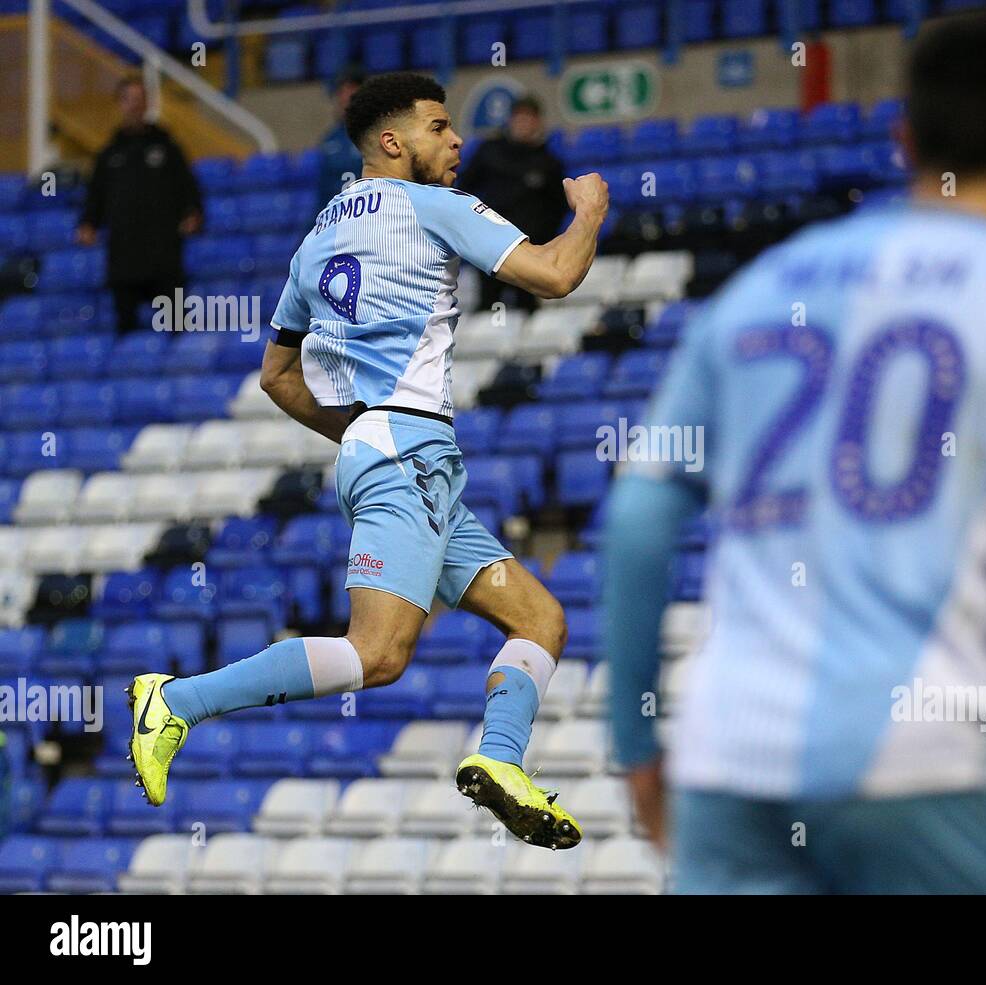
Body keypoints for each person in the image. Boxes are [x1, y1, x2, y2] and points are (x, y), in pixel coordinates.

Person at [601, 13, 986, 894]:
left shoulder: (757, 290)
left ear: (903, 139)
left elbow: (634, 521)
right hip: (916, 758)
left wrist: (635, 746)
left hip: (729, 761)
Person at [126, 72, 609, 851]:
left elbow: (276, 376)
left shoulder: (316, 236)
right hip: (407, 455)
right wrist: (588, 212)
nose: (457, 141)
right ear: (393, 142)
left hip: (400, 457)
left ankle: (500, 757)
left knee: (540, 618)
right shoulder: (435, 208)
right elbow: (555, 274)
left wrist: (362, 433)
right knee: (377, 654)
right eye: (440, 127)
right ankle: (177, 699)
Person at [76, 76, 203, 334]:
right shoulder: (108, 156)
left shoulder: (168, 149)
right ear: (120, 104)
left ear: (147, 104)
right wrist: (88, 224)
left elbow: (189, 189)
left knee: (177, 325)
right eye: (128, 99)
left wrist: (193, 213)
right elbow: (95, 197)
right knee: (125, 331)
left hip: (164, 256)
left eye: (139, 99)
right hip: (124, 259)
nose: (134, 105)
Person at [456, 95, 568, 313]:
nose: (523, 124)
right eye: (519, 118)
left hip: (529, 249)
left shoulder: (549, 163)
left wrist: (542, 241)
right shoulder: (489, 152)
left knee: (527, 305)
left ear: (538, 122)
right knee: (487, 304)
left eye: (529, 118)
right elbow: (464, 189)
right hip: (489, 246)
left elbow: (558, 206)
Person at [316, 67, 366, 210]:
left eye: (353, 88)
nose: (348, 96)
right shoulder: (329, 140)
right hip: (337, 218)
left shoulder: (378, 133)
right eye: (343, 91)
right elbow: (323, 192)